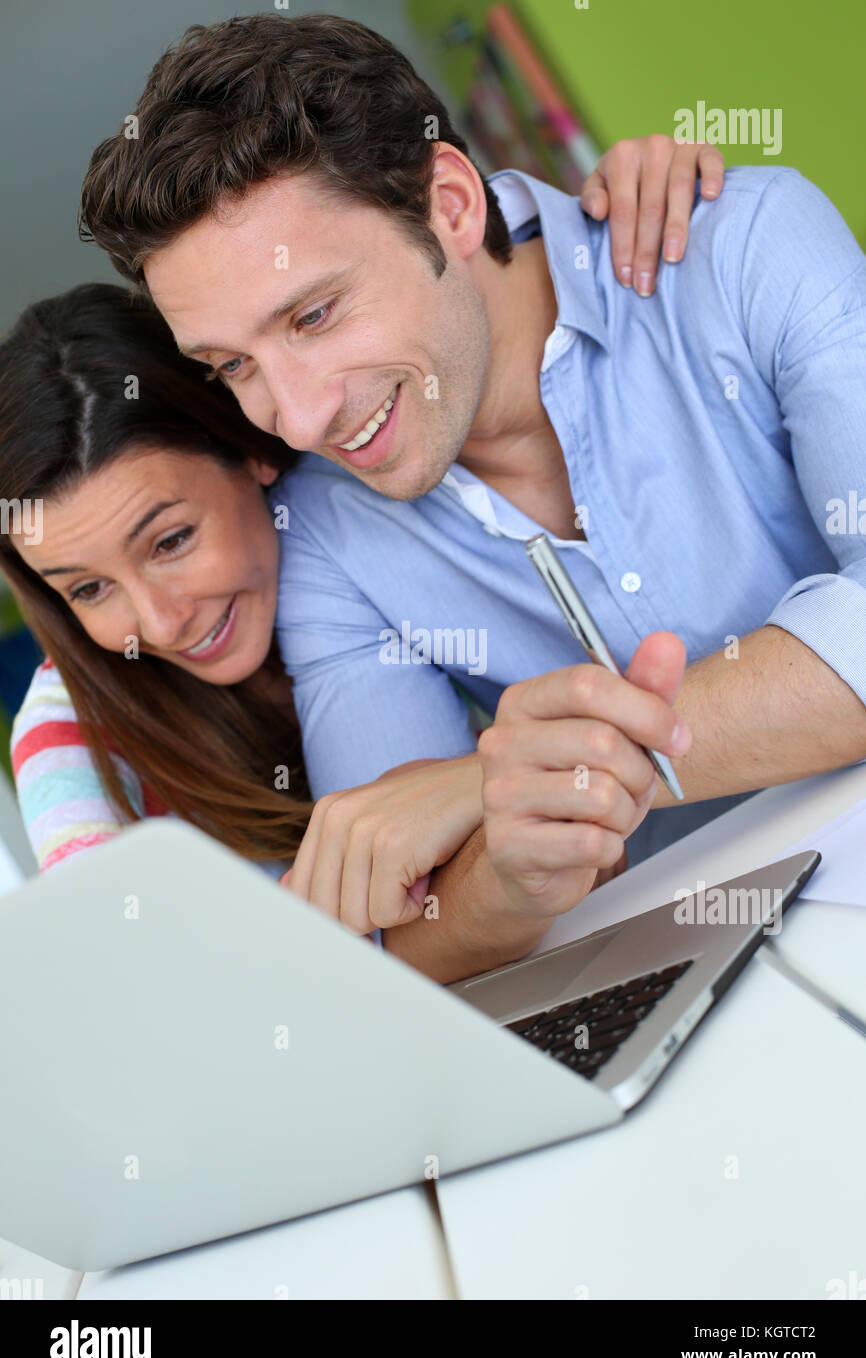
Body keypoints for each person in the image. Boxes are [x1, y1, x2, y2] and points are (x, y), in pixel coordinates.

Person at [77, 12, 866, 956]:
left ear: (449, 204)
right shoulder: (324, 534)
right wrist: (511, 872)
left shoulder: (742, 251)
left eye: (315, 314)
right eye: (231, 367)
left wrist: (521, 781)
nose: (297, 417)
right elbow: (409, 929)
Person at [1, 274, 681, 983]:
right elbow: (156, 1004)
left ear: (252, 452)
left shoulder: (366, 512)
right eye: (88, 588)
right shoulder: (67, 739)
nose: (161, 622)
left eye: (171, 542)